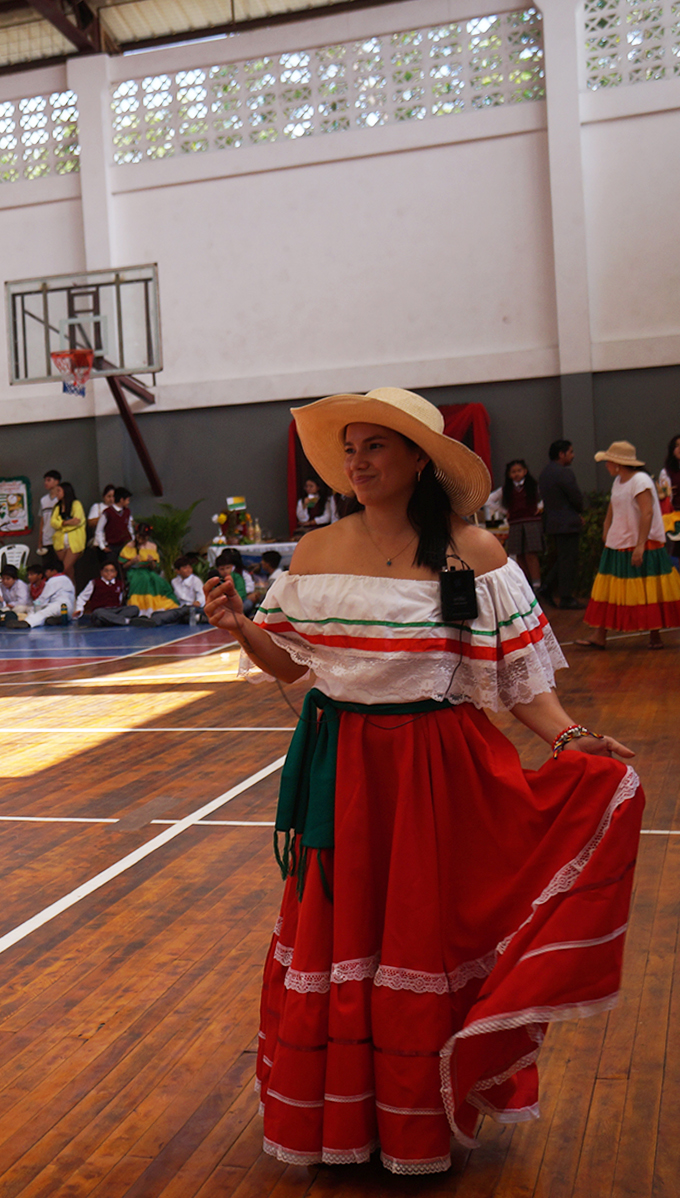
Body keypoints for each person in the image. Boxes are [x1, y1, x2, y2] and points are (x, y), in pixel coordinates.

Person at [211, 386, 642, 1176]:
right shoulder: (313, 552)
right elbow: (292, 664)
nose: (358, 461)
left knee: (419, 936)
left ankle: (416, 1125)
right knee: (344, 941)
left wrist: (573, 737)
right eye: (351, 448)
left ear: (418, 459)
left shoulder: (473, 553)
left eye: (376, 446)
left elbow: (521, 681)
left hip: (434, 773)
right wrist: (242, 628)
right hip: (340, 773)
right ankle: (347, 1126)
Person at [575, 441, 680, 650]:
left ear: (618, 463)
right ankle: (600, 634)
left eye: (608, 462)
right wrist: (607, 527)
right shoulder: (619, 481)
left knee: (647, 587)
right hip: (619, 542)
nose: (606, 465)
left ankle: (655, 634)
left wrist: (640, 545)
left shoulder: (640, 481)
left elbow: (647, 512)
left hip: (641, 542)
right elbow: (613, 506)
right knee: (610, 587)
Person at [539, 439, 586, 609]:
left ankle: (547, 588)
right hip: (567, 522)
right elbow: (575, 496)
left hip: (553, 522)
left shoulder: (545, 473)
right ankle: (564, 596)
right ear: (562, 454)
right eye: (571, 452)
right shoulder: (564, 473)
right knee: (568, 560)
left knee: (562, 558)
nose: (573, 456)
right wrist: (579, 512)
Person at [484, 458, 544, 586]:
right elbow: (488, 500)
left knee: (531, 554)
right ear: (509, 474)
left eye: (519, 471)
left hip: (531, 523)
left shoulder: (533, 486)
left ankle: (537, 584)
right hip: (515, 523)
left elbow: (547, 496)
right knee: (519, 554)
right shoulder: (506, 489)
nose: (516, 474)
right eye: (513, 472)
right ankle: (525, 583)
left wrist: (539, 508)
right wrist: (505, 511)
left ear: (525, 471)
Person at [132, 554, 205, 626]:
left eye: (190, 567)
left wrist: (198, 602)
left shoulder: (196, 580)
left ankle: (155, 621)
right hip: (179, 606)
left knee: (175, 613)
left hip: (191, 607)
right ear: (177, 571)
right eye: (185, 568)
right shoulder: (174, 581)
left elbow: (202, 595)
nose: (188, 570)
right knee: (168, 610)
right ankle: (149, 617)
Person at [14, 560, 76, 628]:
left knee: (43, 613)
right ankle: (58, 619)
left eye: (47, 571)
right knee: (49, 613)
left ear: (53, 571)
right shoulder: (67, 579)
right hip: (69, 609)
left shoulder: (53, 581)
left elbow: (43, 599)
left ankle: (27, 622)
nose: (45, 574)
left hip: (58, 606)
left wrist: (33, 611)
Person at [76, 560, 138, 625]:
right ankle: (126, 621)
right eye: (106, 571)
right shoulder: (94, 583)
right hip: (102, 610)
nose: (109, 573)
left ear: (116, 573)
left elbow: (120, 599)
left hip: (115, 610)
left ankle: (111, 620)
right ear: (101, 572)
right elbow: (82, 597)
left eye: (112, 571)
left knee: (134, 609)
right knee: (98, 613)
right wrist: (79, 609)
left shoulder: (120, 584)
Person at [52, 481, 89, 576]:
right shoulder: (57, 507)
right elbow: (53, 522)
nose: (57, 493)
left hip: (74, 541)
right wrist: (65, 523)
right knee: (68, 572)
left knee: (63, 569)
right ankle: (71, 590)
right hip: (60, 542)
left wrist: (61, 525)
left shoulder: (76, 504)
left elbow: (77, 521)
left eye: (59, 491)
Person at [38, 469, 62, 556]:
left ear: (56, 482)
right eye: (45, 480)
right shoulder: (43, 500)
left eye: (49, 480)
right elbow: (42, 521)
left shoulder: (61, 499)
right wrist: (40, 541)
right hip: (47, 538)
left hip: (60, 537)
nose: (46, 483)